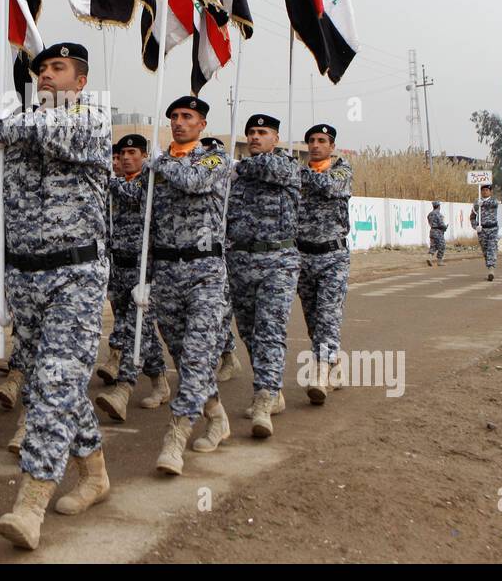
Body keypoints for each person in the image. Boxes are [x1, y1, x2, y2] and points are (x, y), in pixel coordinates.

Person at [0, 43, 113, 550]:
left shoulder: (92, 118)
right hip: (25, 279)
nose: (47, 76)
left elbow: (57, 131)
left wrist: (8, 125)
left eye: (58, 69)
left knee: (54, 386)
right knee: (52, 383)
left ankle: (30, 503)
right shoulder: (17, 134)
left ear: (81, 80)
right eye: (41, 70)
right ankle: (95, 475)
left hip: (76, 275)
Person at [127, 95, 232, 475]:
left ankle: (176, 436)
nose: (179, 122)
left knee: (199, 354)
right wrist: (145, 277)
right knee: (184, 358)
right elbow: (146, 222)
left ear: (202, 124)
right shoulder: (157, 166)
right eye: (173, 116)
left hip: (205, 271)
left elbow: (193, 181)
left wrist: (160, 161)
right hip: (168, 272)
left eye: (187, 117)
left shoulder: (215, 158)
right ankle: (216, 414)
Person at [222, 113, 299, 438]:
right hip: (240, 259)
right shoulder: (237, 175)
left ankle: (265, 397)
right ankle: (272, 388)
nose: (255, 137)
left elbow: (269, 168)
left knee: (270, 329)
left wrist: (235, 167)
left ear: (276, 138)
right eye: (251, 132)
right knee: (250, 331)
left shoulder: (286, 166)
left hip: (277, 260)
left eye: (262, 132)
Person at [94, 133, 170, 418]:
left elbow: (131, 195)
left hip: (144, 270)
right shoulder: (113, 186)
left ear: (144, 156)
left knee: (132, 330)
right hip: (119, 268)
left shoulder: (148, 185)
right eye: (122, 153)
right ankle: (160, 383)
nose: (126, 157)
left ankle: (123, 389)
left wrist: (109, 182)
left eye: (133, 153)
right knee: (143, 331)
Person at [296, 124, 352, 404]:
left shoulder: (342, 171)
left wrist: (299, 172)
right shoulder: (299, 174)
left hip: (333, 257)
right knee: (314, 321)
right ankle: (334, 363)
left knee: (328, 316)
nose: (315, 145)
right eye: (311, 141)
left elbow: (328, 186)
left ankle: (319, 374)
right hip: (303, 257)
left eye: (321, 141)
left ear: (332, 146)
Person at [470, 184, 499, 281]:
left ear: (490, 192)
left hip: (493, 229)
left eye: (487, 190)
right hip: (482, 230)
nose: (485, 192)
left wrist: (482, 203)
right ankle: (489, 265)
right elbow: (472, 216)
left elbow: (493, 204)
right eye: (483, 190)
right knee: (485, 250)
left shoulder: (493, 201)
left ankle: (491, 269)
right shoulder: (477, 203)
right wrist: (475, 226)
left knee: (491, 248)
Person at [427, 200, 447, 267]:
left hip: (432, 231)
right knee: (442, 246)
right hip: (438, 232)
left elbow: (430, 222)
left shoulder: (429, 214)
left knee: (433, 246)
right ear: (438, 206)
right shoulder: (438, 214)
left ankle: (429, 258)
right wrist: (445, 227)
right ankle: (440, 261)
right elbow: (441, 224)